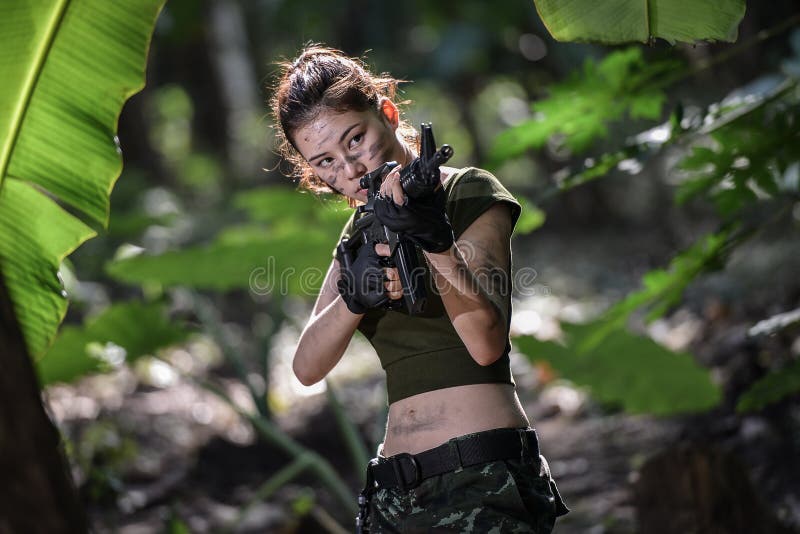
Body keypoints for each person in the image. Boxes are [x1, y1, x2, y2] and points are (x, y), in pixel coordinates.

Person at [271, 44, 569, 533]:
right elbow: (307, 367)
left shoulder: (466, 191)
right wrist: (353, 297)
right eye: (324, 161)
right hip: (393, 493)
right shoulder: (358, 233)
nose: (349, 170)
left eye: (355, 139)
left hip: (480, 475)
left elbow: (485, 342)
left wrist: (436, 241)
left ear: (387, 114)